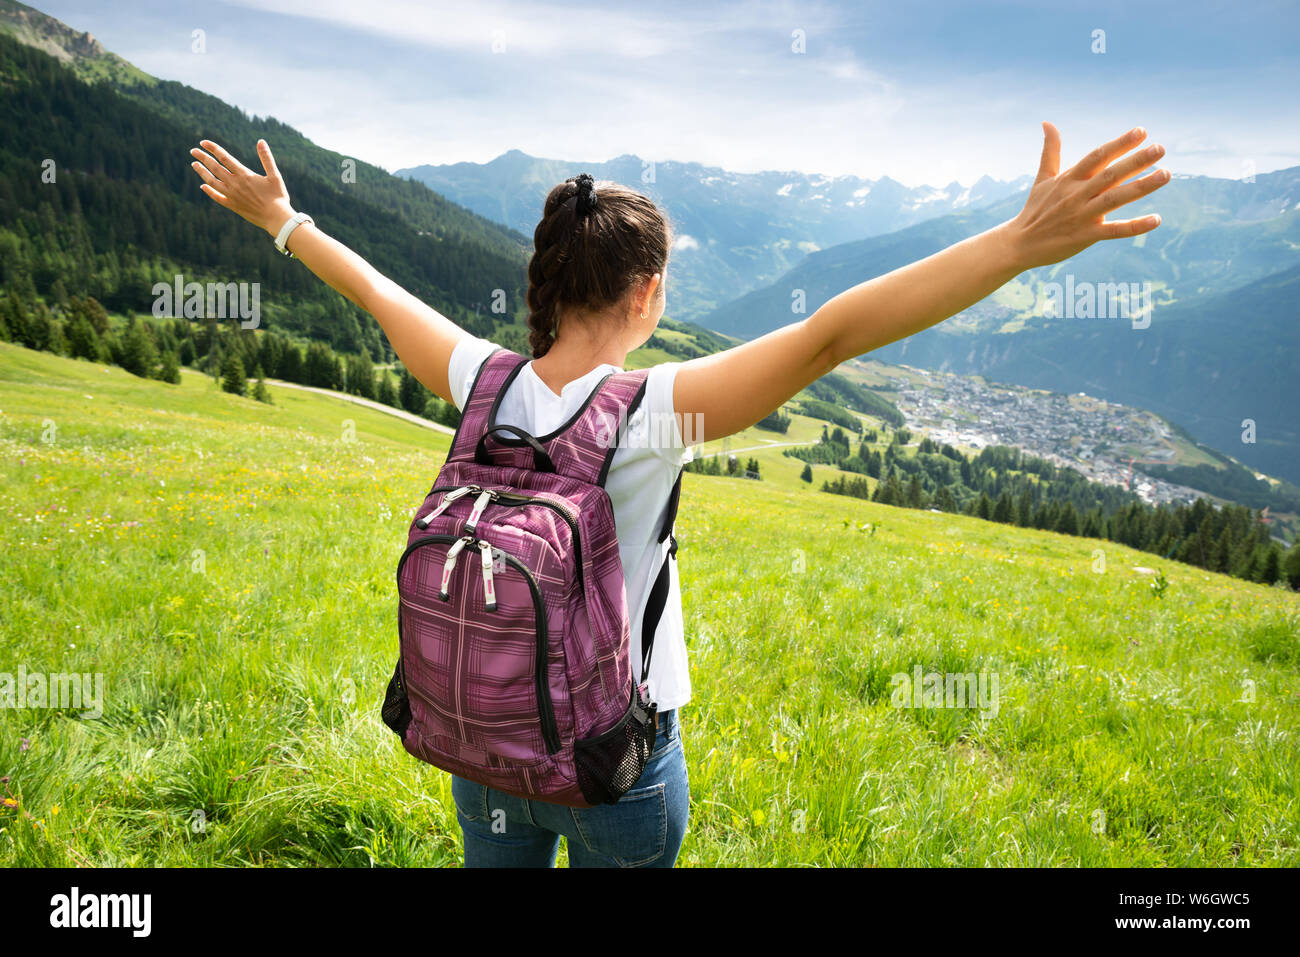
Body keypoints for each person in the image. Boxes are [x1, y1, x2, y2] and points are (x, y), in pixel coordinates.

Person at [188, 122, 1169, 866]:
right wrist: (1015, 246)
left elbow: (375, 292)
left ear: (543, 284)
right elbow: (832, 334)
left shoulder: (477, 378)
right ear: (647, 294)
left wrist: (281, 219)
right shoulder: (651, 412)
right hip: (615, 760)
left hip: (477, 742)